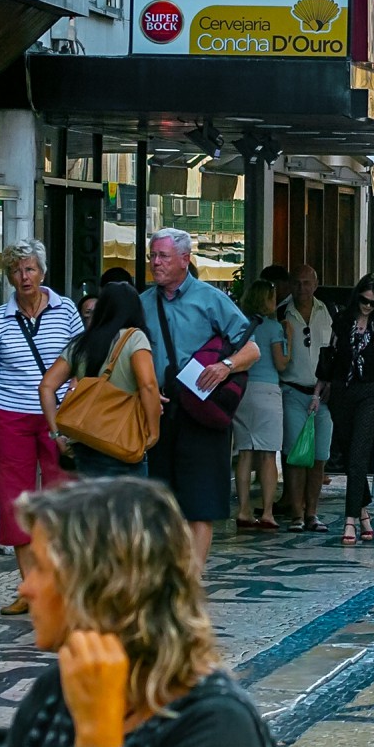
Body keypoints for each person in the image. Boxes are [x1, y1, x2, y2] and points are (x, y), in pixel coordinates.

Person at [2, 477, 284, 747]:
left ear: (103, 584)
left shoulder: (215, 726)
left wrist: (98, 740)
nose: (24, 587)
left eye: (42, 567)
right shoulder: (54, 693)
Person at [141, 228, 259, 566]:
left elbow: (251, 350)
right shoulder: (143, 303)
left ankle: (191, 582)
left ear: (184, 259)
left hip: (202, 412)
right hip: (160, 413)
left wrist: (225, 366)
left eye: (162, 256)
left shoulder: (211, 299)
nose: (155, 263)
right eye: (153, 256)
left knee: (200, 504)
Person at [0, 238, 83, 611]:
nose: (23, 277)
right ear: (9, 277)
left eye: (29, 269)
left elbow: (81, 360)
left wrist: (76, 387)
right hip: (9, 417)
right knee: (15, 502)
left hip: (58, 417)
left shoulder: (66, 309)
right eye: (16, 270)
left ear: (42, 272)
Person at [36, 281, 161, 480]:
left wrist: (56, 435)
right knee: (127, 510)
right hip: (122, 443)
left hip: (84, 443)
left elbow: (46, 387)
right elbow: (148, 385)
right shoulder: (135, 338)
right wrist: (153, 433)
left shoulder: (82, 342)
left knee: (92, 508)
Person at [323, 275, 374, 546]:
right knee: (346, 452)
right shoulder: (343, 322)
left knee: (357, 457)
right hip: (342, 392)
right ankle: (364, 514)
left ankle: (350, 521)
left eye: (373, 303)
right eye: (364, 301)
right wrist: (322, 389)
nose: (367, 306)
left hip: (369, 392)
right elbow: (330, 356)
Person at [278, 265, 333, 532]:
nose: (302, 288)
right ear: (290, 285)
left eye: (307, 283)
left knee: (319, 456)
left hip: (322, 395)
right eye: (297, 283)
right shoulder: (281, 313)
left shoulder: (329, 313)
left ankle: (312, 513)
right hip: (292, 391)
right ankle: (296, 514)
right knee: (294, 456)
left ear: (316, 284)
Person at [231, 280, 287, 532]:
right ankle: (267, 512)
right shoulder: (274, 327)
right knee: (267, 455)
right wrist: (290, 343)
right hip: (267, 391)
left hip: (243, 391)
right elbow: (281, 363)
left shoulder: (240, 325)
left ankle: (242, 509)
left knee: (244, 452)